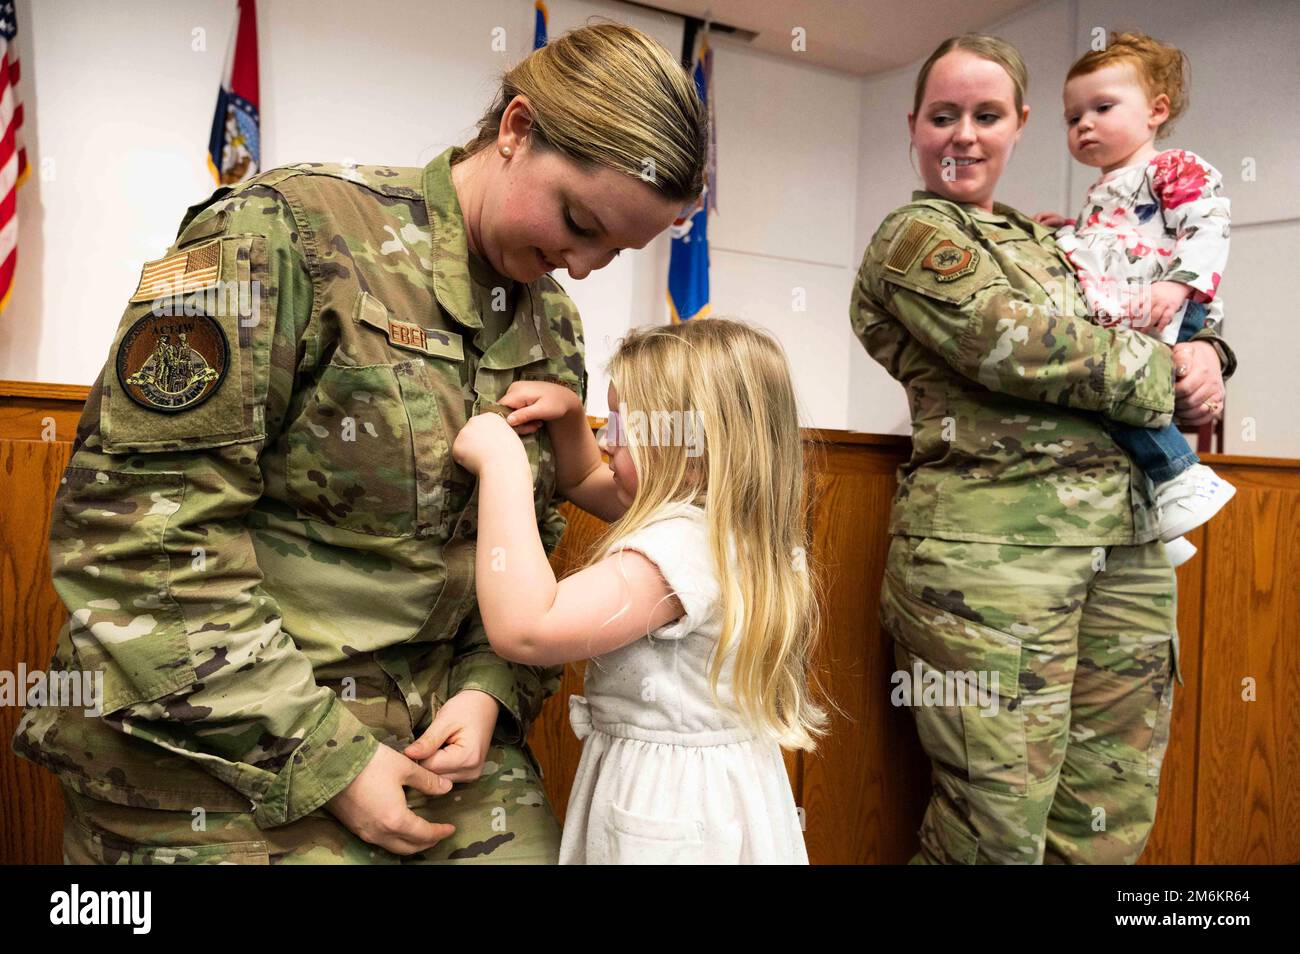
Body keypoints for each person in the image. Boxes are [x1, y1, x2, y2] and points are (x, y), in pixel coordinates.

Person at [12, 23, 706, 864]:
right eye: (578, 221)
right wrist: (326, 758)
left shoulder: (548, 321)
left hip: (432, 724)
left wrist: (489, 691)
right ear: (517, 130)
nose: (585, 265)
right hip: (218, 731)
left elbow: (528, 537)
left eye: (616, 249)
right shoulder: (276, 230)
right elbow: (134, 536)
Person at [850, 34, 1235, 864]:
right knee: (995, 834)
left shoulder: (1058, 241)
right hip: (992, 566)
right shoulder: (917, 234)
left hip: (1123, 552)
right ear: (913, 123)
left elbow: (1151, 302)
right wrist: (1171, 371)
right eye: (943, 115)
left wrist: (1211, 351)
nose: (964, 135)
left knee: (1107, 821)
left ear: (1020, 125)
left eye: (987, 116)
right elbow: (1015, 344)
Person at [452, 318, 824, 863]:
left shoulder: (678, 552)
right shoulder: (720, 525)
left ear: (690, 448)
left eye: (623, 426)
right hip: (717, 795)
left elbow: (526, 630)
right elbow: (586, 481)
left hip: (669, 815)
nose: (606, 440)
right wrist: (573, 417)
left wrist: (502, 462)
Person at [1035, 31, 1235, 567]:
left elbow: (1209, 227)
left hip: (1169, 303)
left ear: (1156, 111)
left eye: (1102, 107)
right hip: (1131, 309)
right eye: (1073, 117)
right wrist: (1070, 231)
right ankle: (1161, 514)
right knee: (1109, 400)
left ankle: (1185, 477)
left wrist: (1180, 283)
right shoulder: (1102, 191)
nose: (1085, 125)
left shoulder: (1170, 169)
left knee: (1119, 394)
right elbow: (1113, 250)